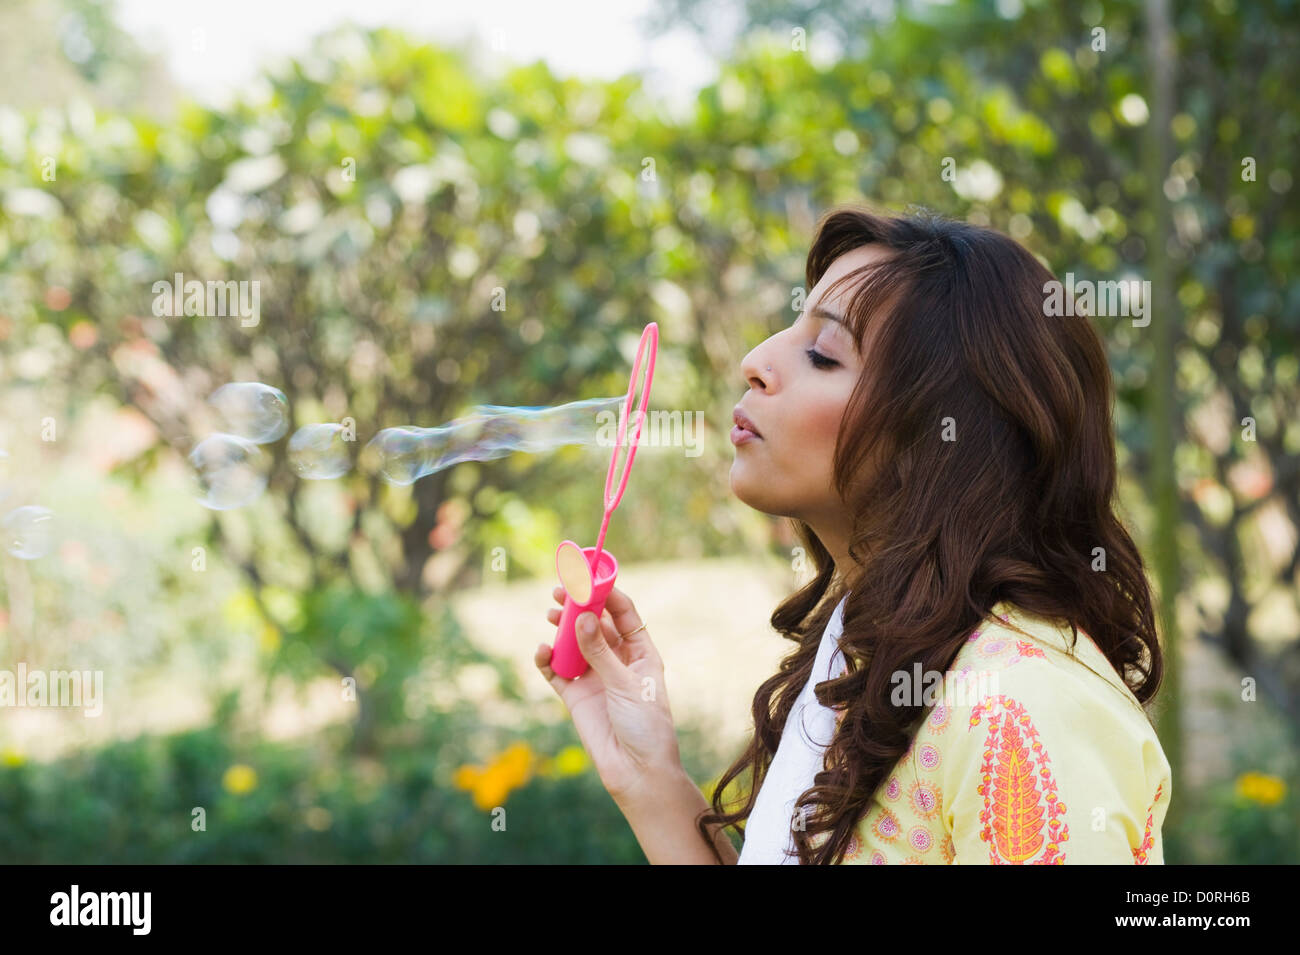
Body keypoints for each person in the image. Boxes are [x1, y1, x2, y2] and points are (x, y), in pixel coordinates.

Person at [535, 204, 1172, 865]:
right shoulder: (866, 647)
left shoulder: (1023, 706)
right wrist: (649, 776)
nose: (756, 361)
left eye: (822, 354)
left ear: (941, 439)